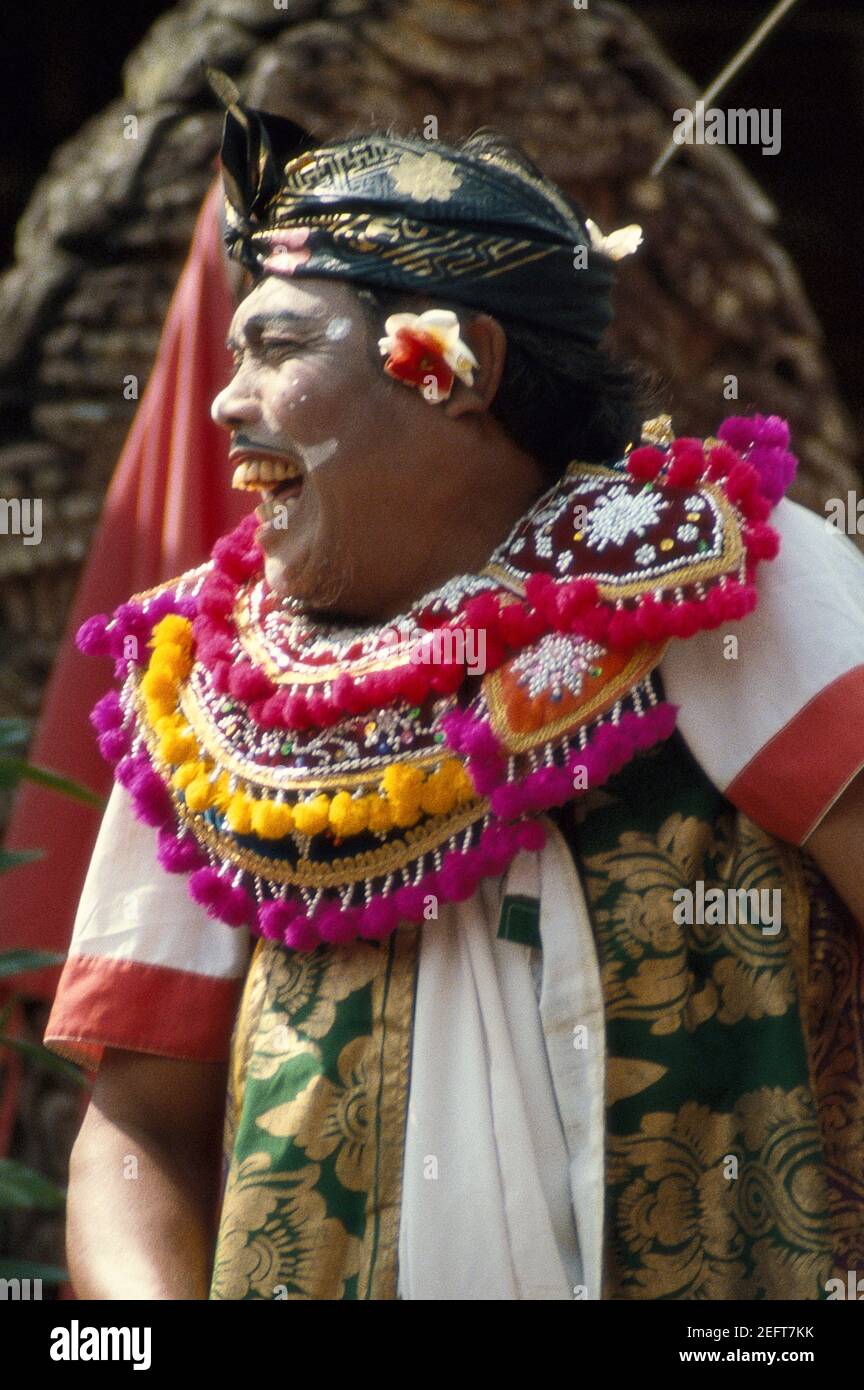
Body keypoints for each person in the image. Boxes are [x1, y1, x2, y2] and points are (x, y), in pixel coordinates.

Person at [44, 83, 864, 1301]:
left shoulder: (712, 579)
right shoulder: (201, 703)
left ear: (450, 362)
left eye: (276, 345)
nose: (224, 401)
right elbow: (140, 1128)